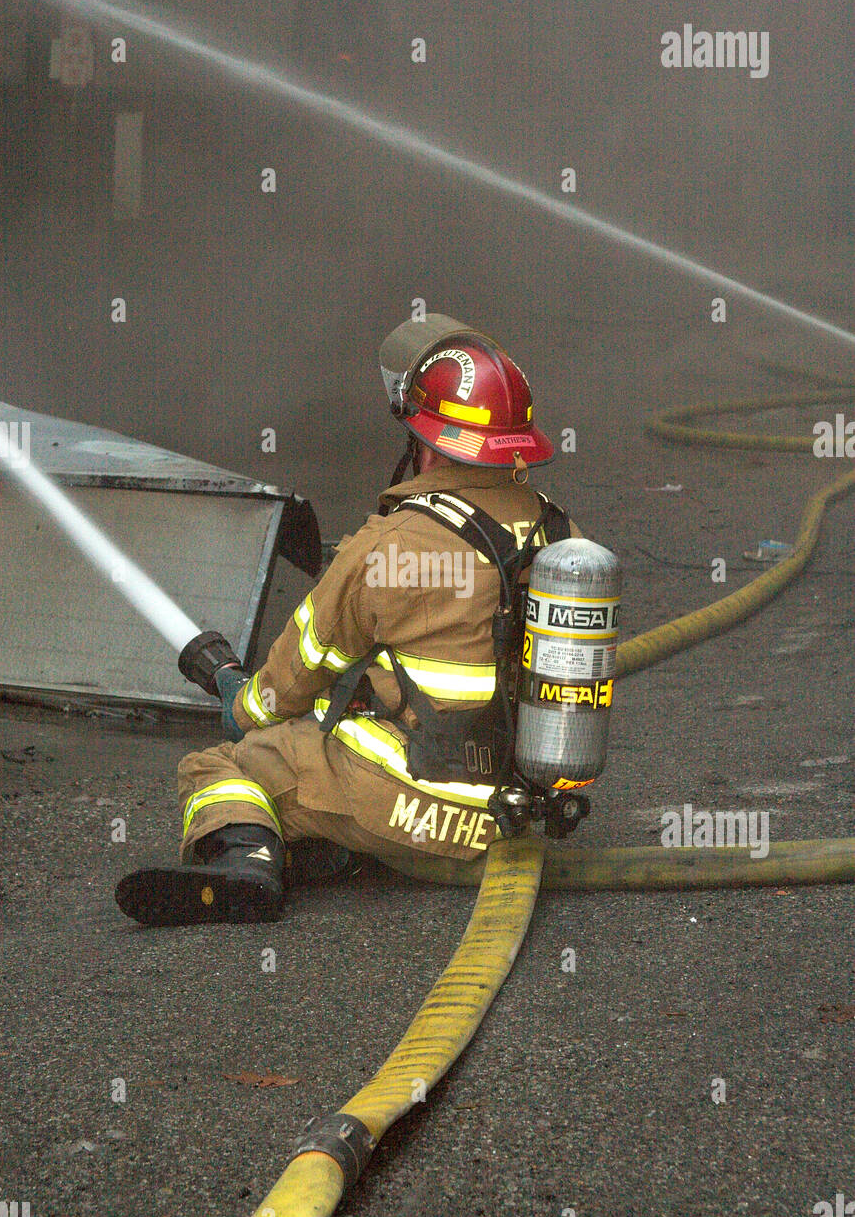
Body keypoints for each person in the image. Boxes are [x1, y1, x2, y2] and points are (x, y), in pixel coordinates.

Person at [115, 314, 581, 925]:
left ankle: (245, 864)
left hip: (414, 806)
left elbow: (300, 669)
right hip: (517, 807)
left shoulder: (390, 545)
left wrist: (239, 702)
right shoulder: (561, 533)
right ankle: (332, 850)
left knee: (223, 764)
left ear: (426, 443)